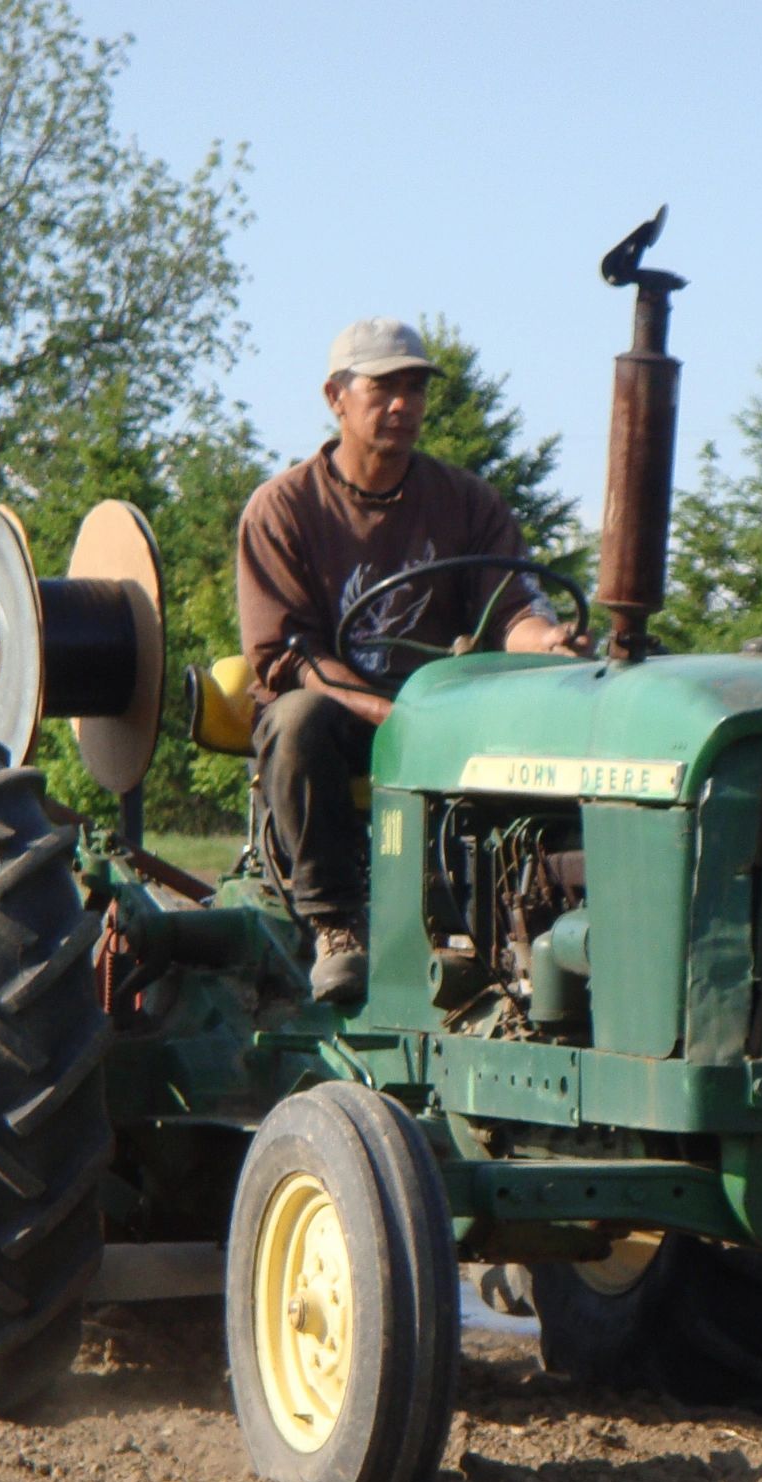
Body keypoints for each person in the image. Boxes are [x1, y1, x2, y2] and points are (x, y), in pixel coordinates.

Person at [236, 317, 586, 1002]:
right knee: (297, 719)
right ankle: (335, 923)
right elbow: (287, 656)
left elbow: (511, 605)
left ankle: (541, 917)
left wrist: (548, 638)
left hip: (444, 705)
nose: (403, 404)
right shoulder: (283, 509)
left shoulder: (466, 501)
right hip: (339, 715)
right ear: (336, 397)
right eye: (384, 387)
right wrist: (392, 714)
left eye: (416, 388)